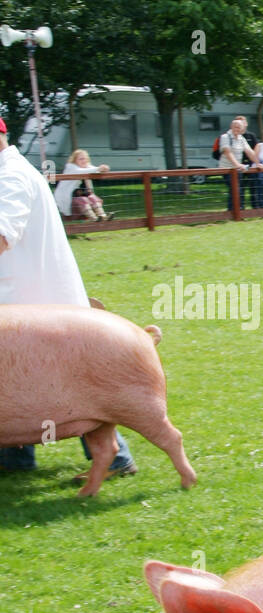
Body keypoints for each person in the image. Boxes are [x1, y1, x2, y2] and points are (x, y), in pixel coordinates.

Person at [0, 117, 138, 480]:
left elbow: (2, 234)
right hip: (36, 304)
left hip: (38, 306)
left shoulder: (11, 178)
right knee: (24, 383)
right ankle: (15, 455)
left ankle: (118, 458)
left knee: (77, 386)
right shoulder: (15, 172)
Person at [218, 115, 258, 211]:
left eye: (239, 127)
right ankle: (234, 212)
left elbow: (249, 152)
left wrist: (258, 162)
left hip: (237, 170)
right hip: (227, 169)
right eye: (235, 127)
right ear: (231, 127)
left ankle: (235, 211)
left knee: (237, 190)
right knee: (235, 189)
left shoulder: (241, 138)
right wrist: (238, 165)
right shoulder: (225, 137)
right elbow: (228, 152)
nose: (237, 129)